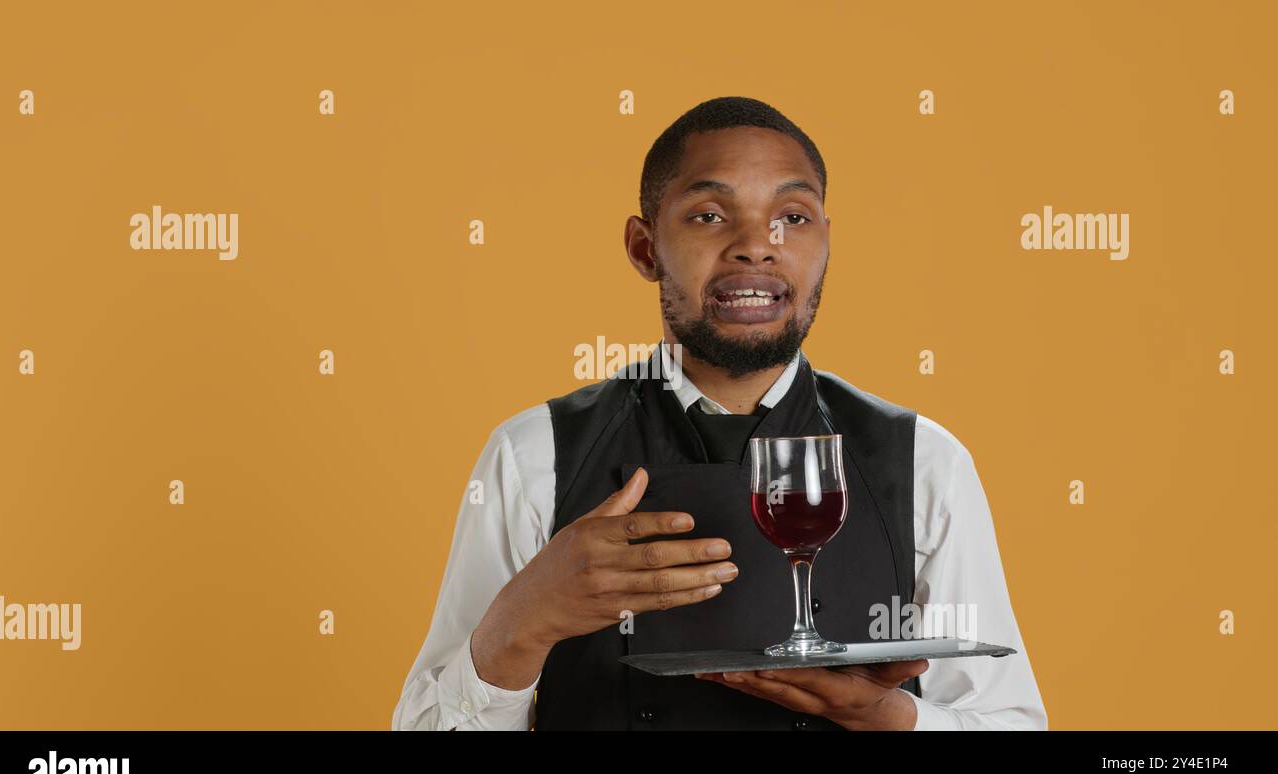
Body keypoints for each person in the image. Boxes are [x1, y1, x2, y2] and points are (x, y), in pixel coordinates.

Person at [393, 96, 1047, 731]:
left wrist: (888, 717)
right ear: (645, 249)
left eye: (793, 216)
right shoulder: (534, 455)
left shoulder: (924, 462)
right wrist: (519, 626)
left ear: (826, 241)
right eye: (710, 215)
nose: (757, 245)